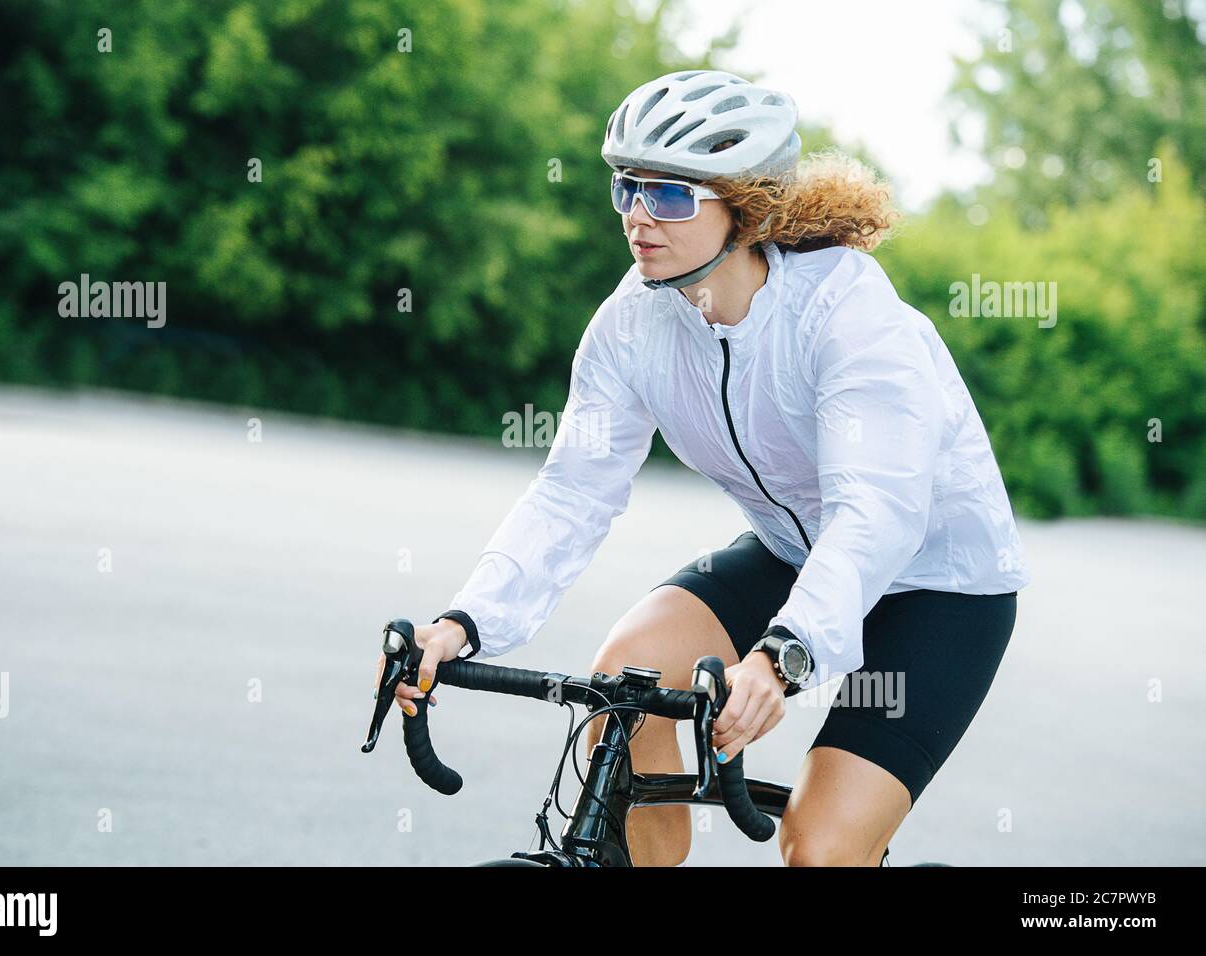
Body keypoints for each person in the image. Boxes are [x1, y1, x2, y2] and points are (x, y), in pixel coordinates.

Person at [376, 69, 1029, 866]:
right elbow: (574, 489)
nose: (639, 217)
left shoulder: (846, 314)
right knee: (626, 676)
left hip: (941, 588)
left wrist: (784, 656)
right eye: (626, 188)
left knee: (819, 847)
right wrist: (464, 623)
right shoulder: (634, 321)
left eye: (672, 196)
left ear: (745, 206)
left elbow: (875, 514)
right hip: (794, 555)